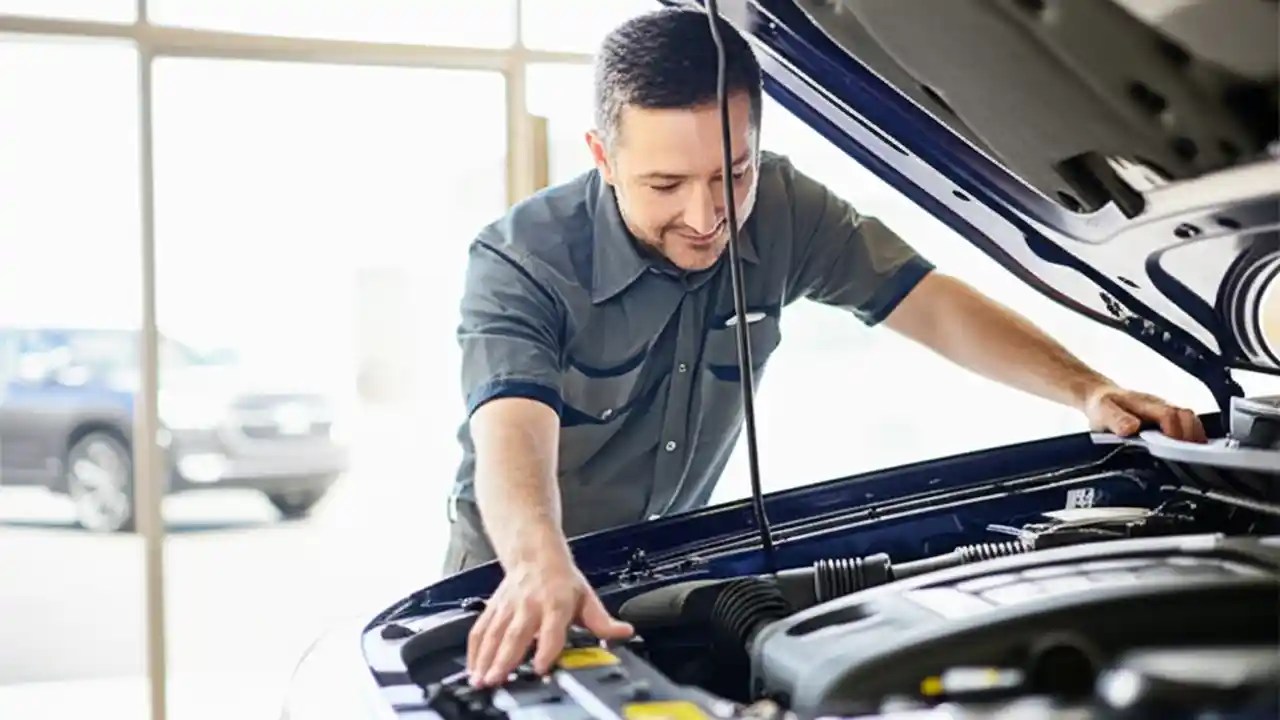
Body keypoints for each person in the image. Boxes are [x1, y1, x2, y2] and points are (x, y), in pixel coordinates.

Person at [446, 7, 1207, 688]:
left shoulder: (782, 206)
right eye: (665, 184)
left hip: (668, 572)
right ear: (603, 157)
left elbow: (931, 306)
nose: (706, 215)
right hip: (513, 583)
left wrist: (1086, 389)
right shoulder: (521, 258)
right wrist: (539, 557)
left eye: (730, 173)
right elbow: (511, 426)